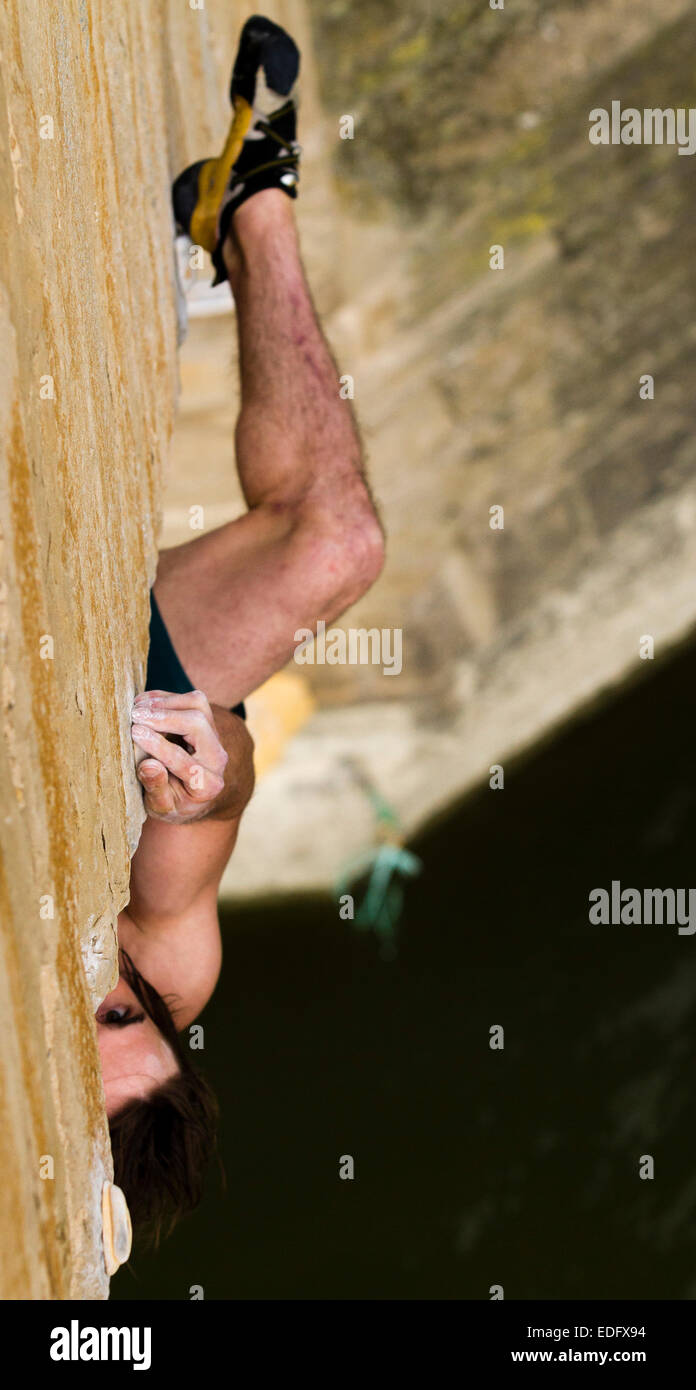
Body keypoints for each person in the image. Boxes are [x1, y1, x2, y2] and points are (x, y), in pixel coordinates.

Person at [99, 15, 384, 1246]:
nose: (98, 998)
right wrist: (209, 779)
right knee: (339, 544)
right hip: (115, 706)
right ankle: (247, 196)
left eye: (87, 1036)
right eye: (122, 1024)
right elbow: (209, 818)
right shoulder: (163, 967)